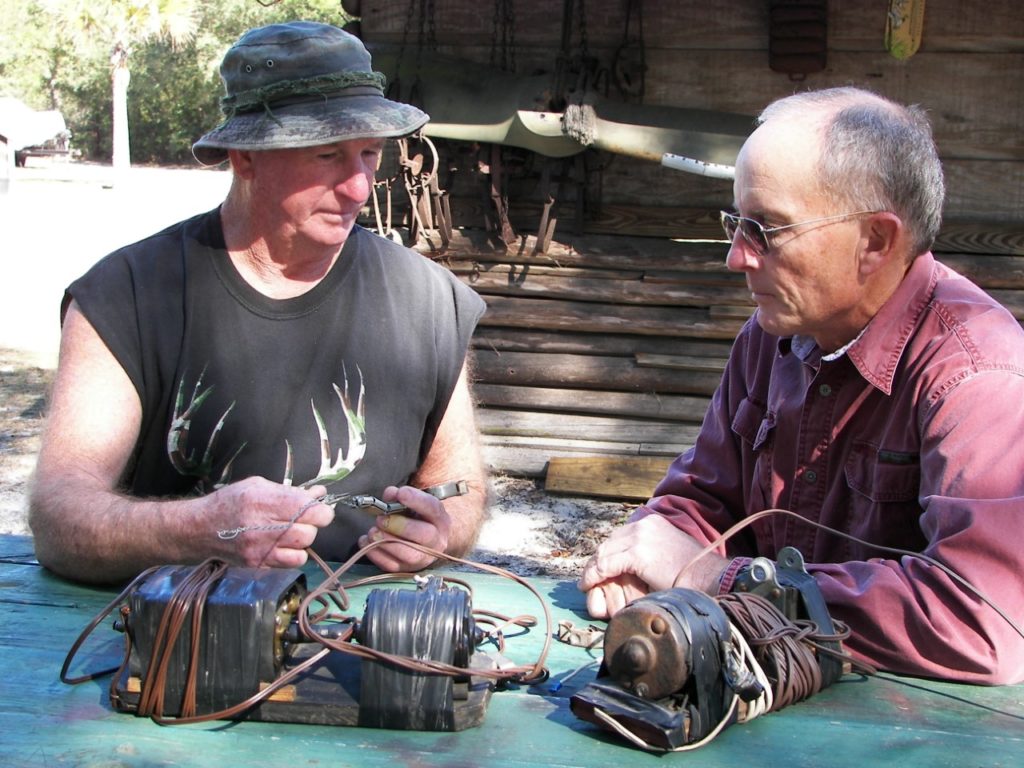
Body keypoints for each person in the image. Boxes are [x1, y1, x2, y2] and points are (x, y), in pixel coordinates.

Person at [579, 86, 1024, 685]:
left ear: (876, 242)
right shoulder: (772, 337)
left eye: (766, 228)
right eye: (736, 223)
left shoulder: (978, 373)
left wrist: (716, 579)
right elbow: (705, 500)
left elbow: (982, 621)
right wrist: (644, 554)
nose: (737, 257)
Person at [28, 21, 488, 584]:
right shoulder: (126, 297)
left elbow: (461, 490)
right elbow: (59, 519)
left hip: (366, 625)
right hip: (173, 621)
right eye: (327, 155)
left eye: (370, 153)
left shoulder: (429, 301)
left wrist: (441, 532)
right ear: (244, 156)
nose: (358, 187)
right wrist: (197, 529)